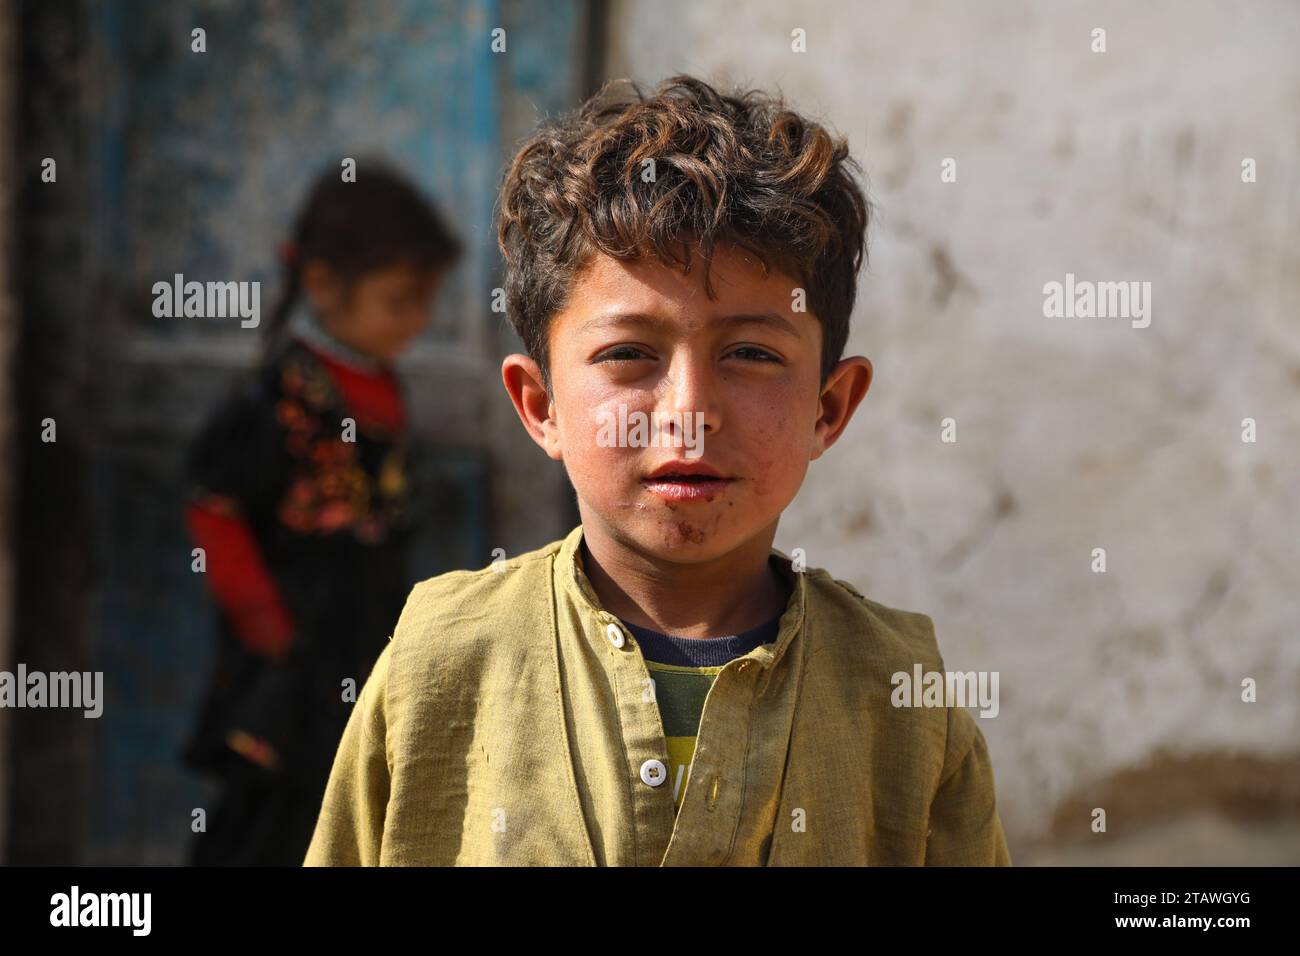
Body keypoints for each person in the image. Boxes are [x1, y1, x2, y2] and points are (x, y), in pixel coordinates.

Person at [304, 76, 1011, 865]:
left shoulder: (901, 699)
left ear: (829, 408)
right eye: (628, 354)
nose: (688, 411)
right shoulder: (441, 661)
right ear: (540, 408)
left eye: (751, 354)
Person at [181, 158, 463, 865]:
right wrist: (263, 623)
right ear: (321, 286)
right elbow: (213, 508)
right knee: (278, 802)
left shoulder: (379, 382)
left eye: (425, 301)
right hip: (294, 642)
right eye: (401, 300)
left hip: (365, 628)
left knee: (356, 791)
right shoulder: (281, 396)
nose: (418, 321)